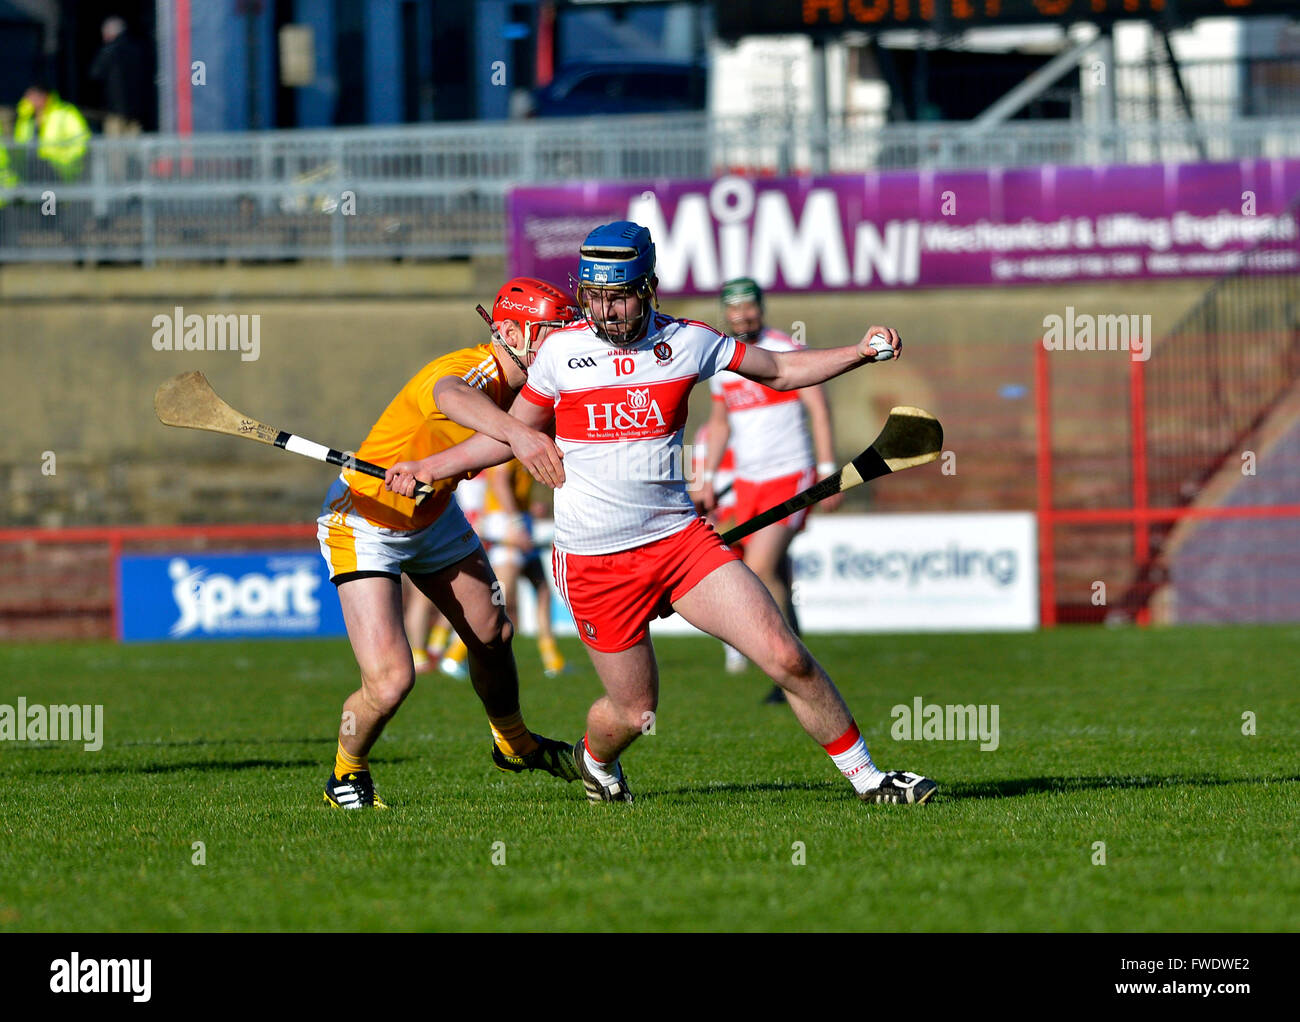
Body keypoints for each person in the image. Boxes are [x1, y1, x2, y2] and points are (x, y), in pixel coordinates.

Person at [386, 222, 937, 807]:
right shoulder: (560, 353)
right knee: (634, 710)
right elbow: (510, 437)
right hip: (595, 563)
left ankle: (871, 779)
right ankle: (596, 763)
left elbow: (778, 370)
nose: (605, 310)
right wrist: (434, 468)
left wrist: (858, 352)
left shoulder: (691, 342)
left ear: (648, 287)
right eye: (594, 297)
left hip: (680, 544)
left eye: (619, 295)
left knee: (786, 656)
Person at [318, 277, 582, 808]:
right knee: (392, 680)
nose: (561, 343)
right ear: (509, 332)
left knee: (493, 634)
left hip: (433, 515)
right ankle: (346, 775)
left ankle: (513, 741)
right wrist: (520, 433)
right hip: (364, 522)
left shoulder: (541, 387)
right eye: (549, 332)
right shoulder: (470, 368)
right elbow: (450, 396)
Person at [697, 277, 844, 702]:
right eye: (734, 309)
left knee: (759, 567)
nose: (743, 315)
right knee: (776, 573)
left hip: (791, 476)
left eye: (750, 307)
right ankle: (799, 667)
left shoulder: (786, 349)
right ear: (725, 314)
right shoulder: (724, 359)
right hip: (747, 481)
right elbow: (722, 422)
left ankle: (787, 668)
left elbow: (818, 407)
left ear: (761, 309)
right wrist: (707, 479)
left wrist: (828, 471)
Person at [440, 459, 566, 680]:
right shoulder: (511, 442)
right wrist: (516, 522)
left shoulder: (525, 440)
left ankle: (553, 660)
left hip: (517, 519)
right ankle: (454, 656)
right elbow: (498, 481)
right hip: (507, 523)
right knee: (498, 599)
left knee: (542, 588)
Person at [13, 83, 90, 181]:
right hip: (31, 172)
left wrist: (65, 161)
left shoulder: (65, 113)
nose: (27, 101)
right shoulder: (26, 118)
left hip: (59, 171)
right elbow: (19, 144)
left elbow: (81, 140)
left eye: (32, 97)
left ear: (45, 97)